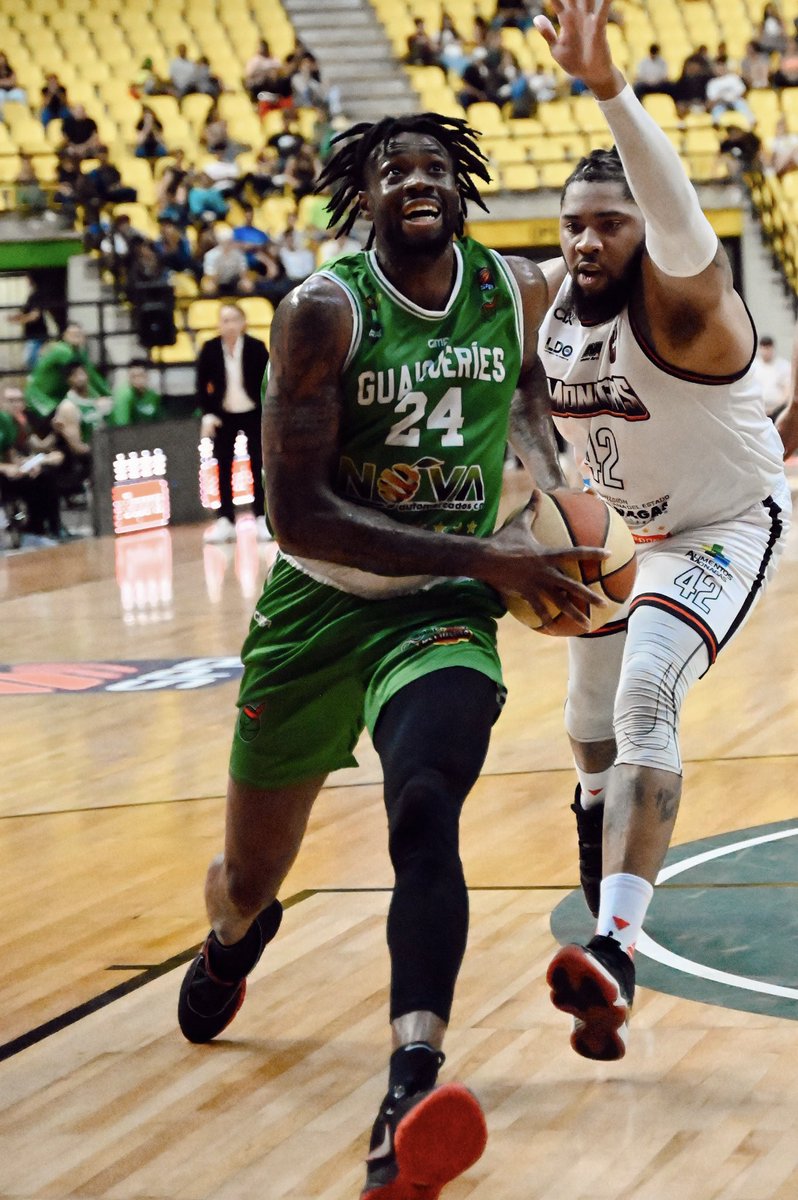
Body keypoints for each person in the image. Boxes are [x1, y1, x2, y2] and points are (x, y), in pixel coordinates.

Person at [176, 111, 607, 1199]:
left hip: (441, 611)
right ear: (359, 200)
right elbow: (298, 518)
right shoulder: (323, 312)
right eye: (390, 171)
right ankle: (232, 940)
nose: (416, 180)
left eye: (433, 167)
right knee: (247, 879)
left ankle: (411, 1085)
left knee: (426, 805)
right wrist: (495, 552)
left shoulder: (517, 292)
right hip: (318, 613)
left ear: (461, 186)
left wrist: (551, 508)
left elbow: (596, 351)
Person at [532, 0, 791, 1062]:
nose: (590, 240)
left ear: (647, 230)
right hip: (621, 532)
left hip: (722, 527)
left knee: (644, 697)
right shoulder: (552, 299)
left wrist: (608, 89)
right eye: (574, 224)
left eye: (612, 223)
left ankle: (618, 950)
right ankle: (601, 848)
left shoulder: (684, 305)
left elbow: (681, 223)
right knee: (585, 730)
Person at [195, 302, 270, 543]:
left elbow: (268, 382)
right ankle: (225, 520)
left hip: (252, 412)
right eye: (224, 320)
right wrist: (208, 413)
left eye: (233, 319)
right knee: (223, 465)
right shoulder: (210, 349)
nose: (228, 324)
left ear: (243, 322)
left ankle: (260, 516)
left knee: (257, 464)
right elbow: (200, 385)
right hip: (223, 414)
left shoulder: (257, 348)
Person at [24, 322, 110, 430]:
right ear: (64, 336)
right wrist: (95, 399)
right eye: (72, 334)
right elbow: (81, 379)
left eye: (79, 334)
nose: (76, 337)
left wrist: (108, 394)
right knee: (60, 423)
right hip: (39, 396)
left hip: (57, 397)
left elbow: (92, 375)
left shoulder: (80, 352)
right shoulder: (63, 351)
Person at [8, 274, 50, 370]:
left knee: (30, 361)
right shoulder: (33, 296)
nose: (26, 280)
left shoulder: (37, 295)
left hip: (37, 335)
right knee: (31, 361)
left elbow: (34, 315)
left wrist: (19, 320)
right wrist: (17, 317)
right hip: (34, 335)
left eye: (28, 278)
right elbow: (29, 313)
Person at [108, 359, 162, 426]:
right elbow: (122, 427)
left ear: (148, 376)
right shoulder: (123, 395)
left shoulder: (152, 395)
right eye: (133, 377)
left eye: (141, 375)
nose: (137, 380)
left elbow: (161, 421)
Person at [751, 334, 792, 419]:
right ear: (760, 348)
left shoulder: (783, 366)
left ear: (773, 348)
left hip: (778, 410)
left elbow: (787, 390)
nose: (766, 351)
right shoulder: (753, 367)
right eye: (763, 348)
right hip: (757, 408)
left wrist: (775, 408)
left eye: (768, 348)